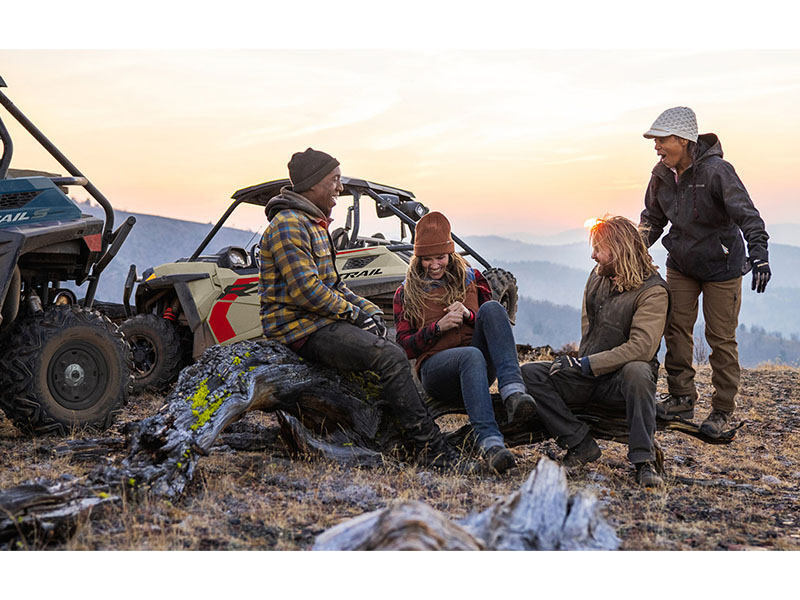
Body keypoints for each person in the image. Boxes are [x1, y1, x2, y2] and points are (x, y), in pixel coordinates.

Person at [258, 148, 466, 470]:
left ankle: (396, 428)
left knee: (387, 347)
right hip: (300, 327)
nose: (339, 188)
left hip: (319, 321)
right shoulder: (289, 226)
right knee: (391, 356)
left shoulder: (313, 224)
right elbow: (306, 292)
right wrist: (355, 315)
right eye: (334, 180)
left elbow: (334, 285)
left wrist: (369, 311)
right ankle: (432, 450)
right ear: (313, 184)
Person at [639, 106, 771, 438]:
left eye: (661, 140)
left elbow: (747, 215)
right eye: (654, 141)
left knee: (720, 338)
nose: (656, 147)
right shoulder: (661, 175)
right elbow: (652, 220)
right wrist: (631, 251)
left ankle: (722, 411)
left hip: (722, 266)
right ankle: (681, 398)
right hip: (682, 263)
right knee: (675, 328)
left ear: (683, 140)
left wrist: (760, 254)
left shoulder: (717, 172)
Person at [521, 216, 670, 487]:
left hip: (619, 384)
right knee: (530, 374)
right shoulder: (598, 276)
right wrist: (577, 363)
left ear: (619, 250)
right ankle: (578, 442)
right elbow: (588, 324)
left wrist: (588, 365)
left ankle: (643, 461)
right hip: (586, 375)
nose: (593, 256)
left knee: (638, 370)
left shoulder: (653, 292)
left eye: (599, 249)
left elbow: (642, 347)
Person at [392, 211, 536, 474]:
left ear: (451, 254)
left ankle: (514, 392)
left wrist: (469, 315)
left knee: (493, 309)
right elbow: (404, 345)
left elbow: (490, 324)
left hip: (480, 367)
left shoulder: (473, 278)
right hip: (437, 372)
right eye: (427, 259)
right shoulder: (405, 292)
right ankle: (491, 443)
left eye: (440, 257)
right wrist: (436, 328)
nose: (434, 265)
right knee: (470, 355)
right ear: (418, 258)